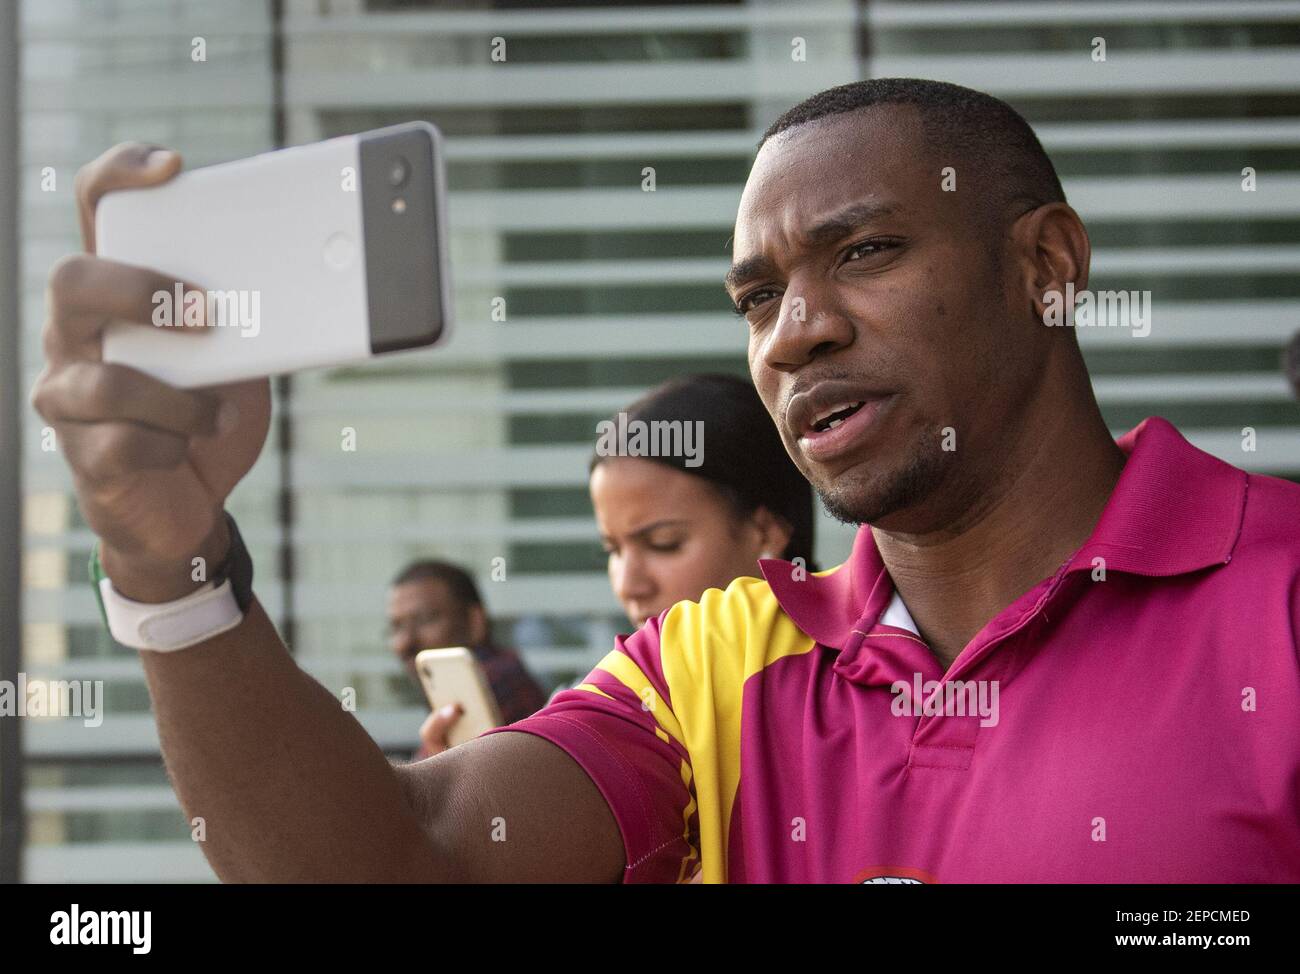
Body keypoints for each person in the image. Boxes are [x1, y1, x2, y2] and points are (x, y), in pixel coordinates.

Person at [34, 78, 1300, 883]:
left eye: (863, 249)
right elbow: (404, 863)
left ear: (1048, 265)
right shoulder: (714, 661)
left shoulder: (1274, 599)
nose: (793, 330)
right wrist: (168, 560)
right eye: (756, 298)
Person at [589, 373, 816, 629]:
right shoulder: (626, 668)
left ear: (766, 532)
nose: (627, 586)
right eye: (612, 551)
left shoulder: (854, 665)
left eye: (664, 543)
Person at [386, 559, 546, 760]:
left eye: (424, 620)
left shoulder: (492, 681)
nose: (403, 643)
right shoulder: (497, 673)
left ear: (474, 622)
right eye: (396, 627)